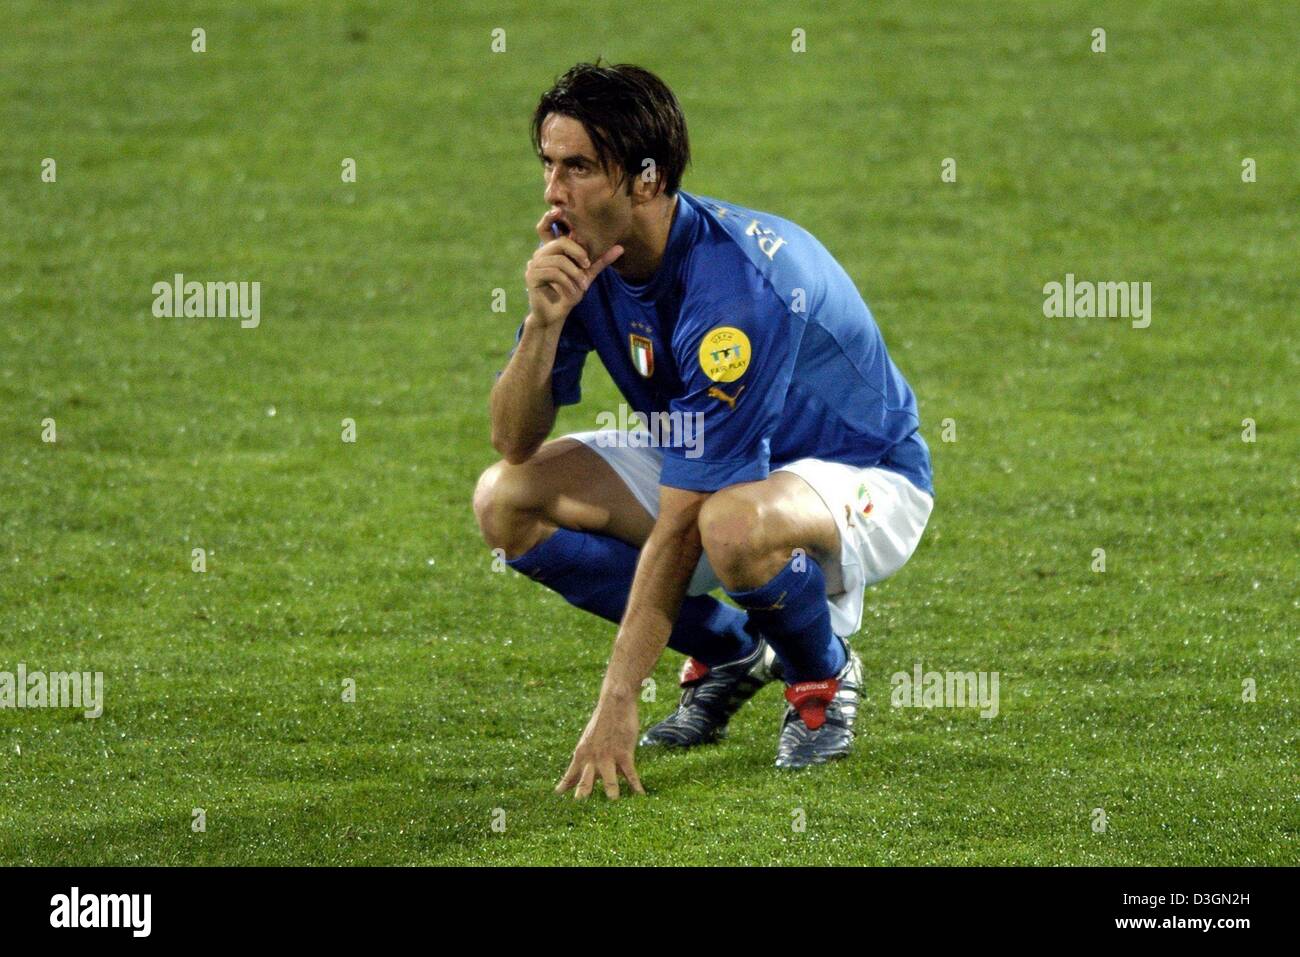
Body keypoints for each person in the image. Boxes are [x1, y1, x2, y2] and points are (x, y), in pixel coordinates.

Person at [474, 62, 933, 799]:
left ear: (647, 181)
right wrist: (542, 324)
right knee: (506, 499)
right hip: (717, 456)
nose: (553, 193)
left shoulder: (735, 292)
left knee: (729, 523)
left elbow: (687, 521)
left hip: (861, 473)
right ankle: (729, 651)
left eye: (580, 168)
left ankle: (821, 673)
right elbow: (513, 442)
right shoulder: (587, 258)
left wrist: (618, 702)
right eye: (549, 165)